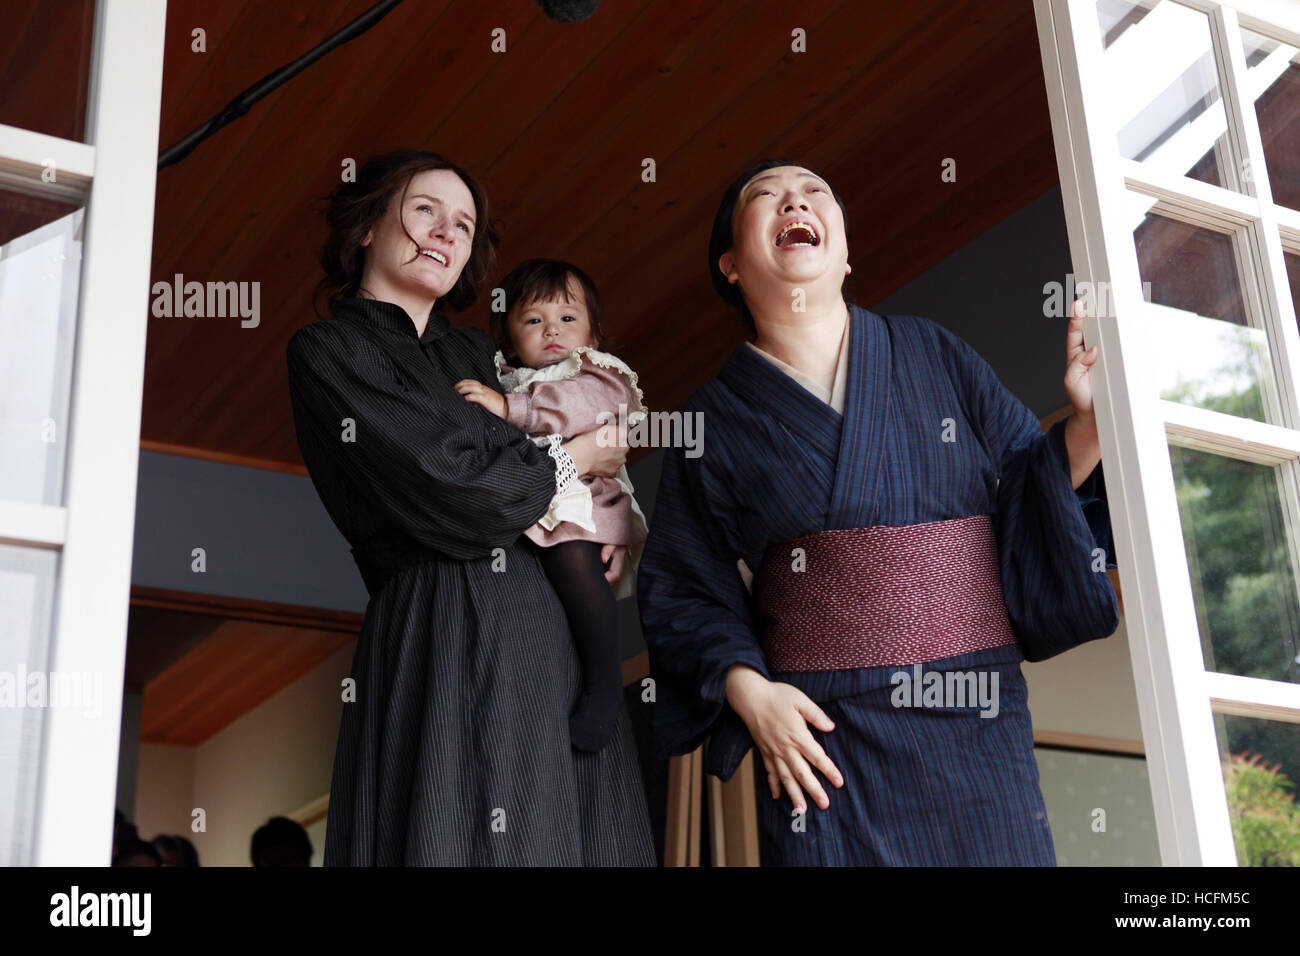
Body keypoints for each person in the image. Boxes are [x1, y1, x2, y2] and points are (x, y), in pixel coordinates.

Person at [636, 159, 1118, 866]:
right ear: (732, 265)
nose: (794, 201)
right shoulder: (714, 417)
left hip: (976, 718)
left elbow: (1029, 489)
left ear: (847, 250)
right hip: (824, 741)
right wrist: (752, 694)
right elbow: (683, 586)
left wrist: (1089, 423)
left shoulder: (933, 352)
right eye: (766, 197)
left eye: (815, 193)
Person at [285, 150, 655, 865]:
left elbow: (587, 408)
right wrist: (574, 460)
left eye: (463, 223)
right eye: (425, 209)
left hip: (556, 631)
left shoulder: (483, 359)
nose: (445, 232)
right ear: (368, 227)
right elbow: (461, 493)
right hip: (441, 626)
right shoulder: (330, 350)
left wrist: (590, 492)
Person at [454, 259, 648, 752]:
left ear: (594, 334)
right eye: (533, 320)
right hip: (541, 500)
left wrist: (510, 409)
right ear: (509, 337)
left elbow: (583, 408)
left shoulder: (596, 373)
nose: (552, 331)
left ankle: (606, 682)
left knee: (573, 559)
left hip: (588, 501)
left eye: (567, 318)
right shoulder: (504, 378)